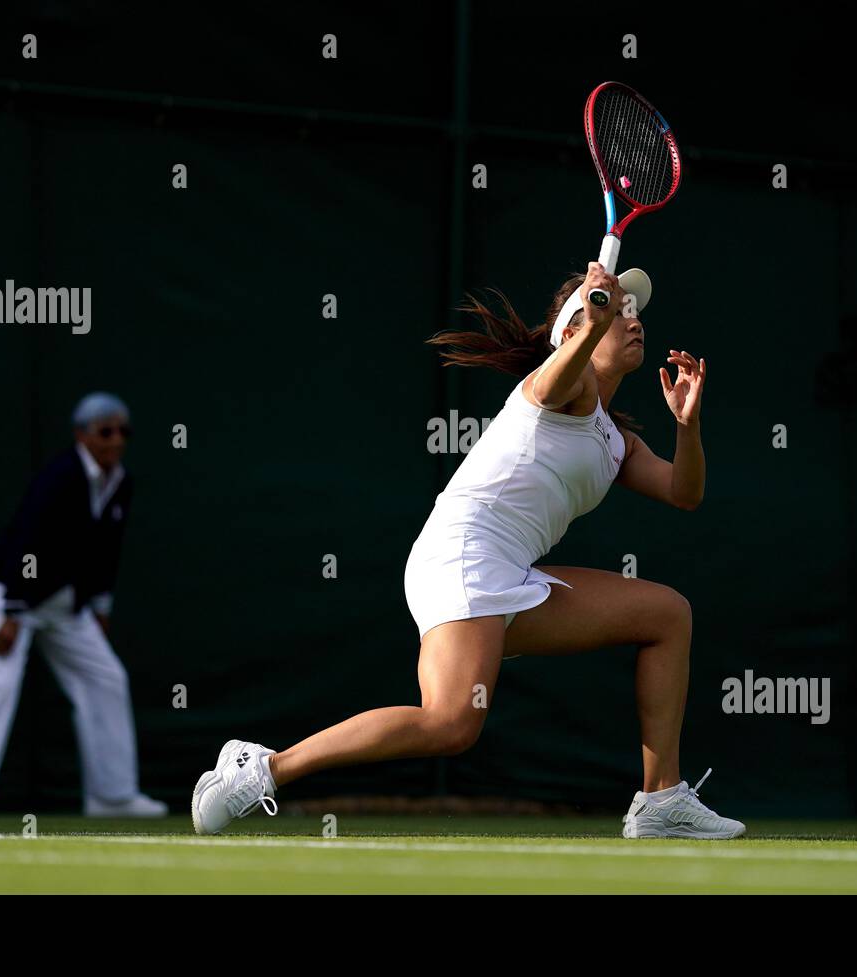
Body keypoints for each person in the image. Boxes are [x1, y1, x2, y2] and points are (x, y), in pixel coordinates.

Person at [192, 263, 743, 838]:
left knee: (666, 614)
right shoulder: (559, 388)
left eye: (635, 313)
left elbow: (685, 492)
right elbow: (557, 382)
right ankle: (261, 769)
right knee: (451, 723)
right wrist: (586, 325)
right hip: (463, 556)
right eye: (618, 312)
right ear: (575, 330)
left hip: (509, 571)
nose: (633, 323)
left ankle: (660, 802)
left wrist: (687, 425)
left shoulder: (615, 439)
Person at [0, 392, 167, 818]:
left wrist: (100, 605)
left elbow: (107, 551)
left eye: (123, 432)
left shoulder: (121, 482)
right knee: (1, 686)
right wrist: (12, 612)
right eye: (106, 431)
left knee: (108, 679)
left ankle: (112, 796)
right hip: (14, 590)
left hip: (65, 603)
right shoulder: (59, 476)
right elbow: (28, 541)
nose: (116, 440)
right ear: (82, 435)